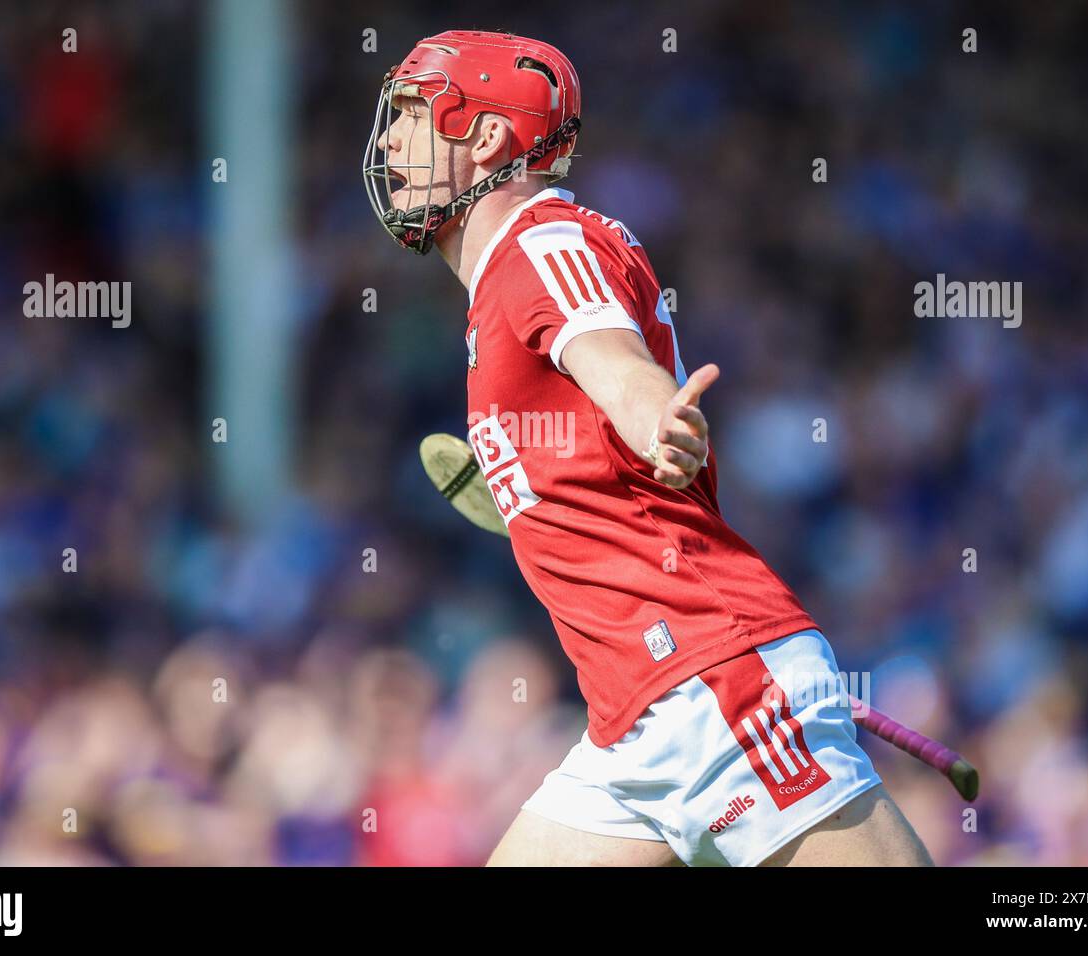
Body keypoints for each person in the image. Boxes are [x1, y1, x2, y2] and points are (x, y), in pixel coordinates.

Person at [363, 29, 932, 867]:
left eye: (413, 113)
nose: (391, 139)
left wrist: (656, 417)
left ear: (485, 137)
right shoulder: (499, 286)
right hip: (631, 719)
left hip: (710, 681)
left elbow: (614, 361)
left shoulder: (540, 243)